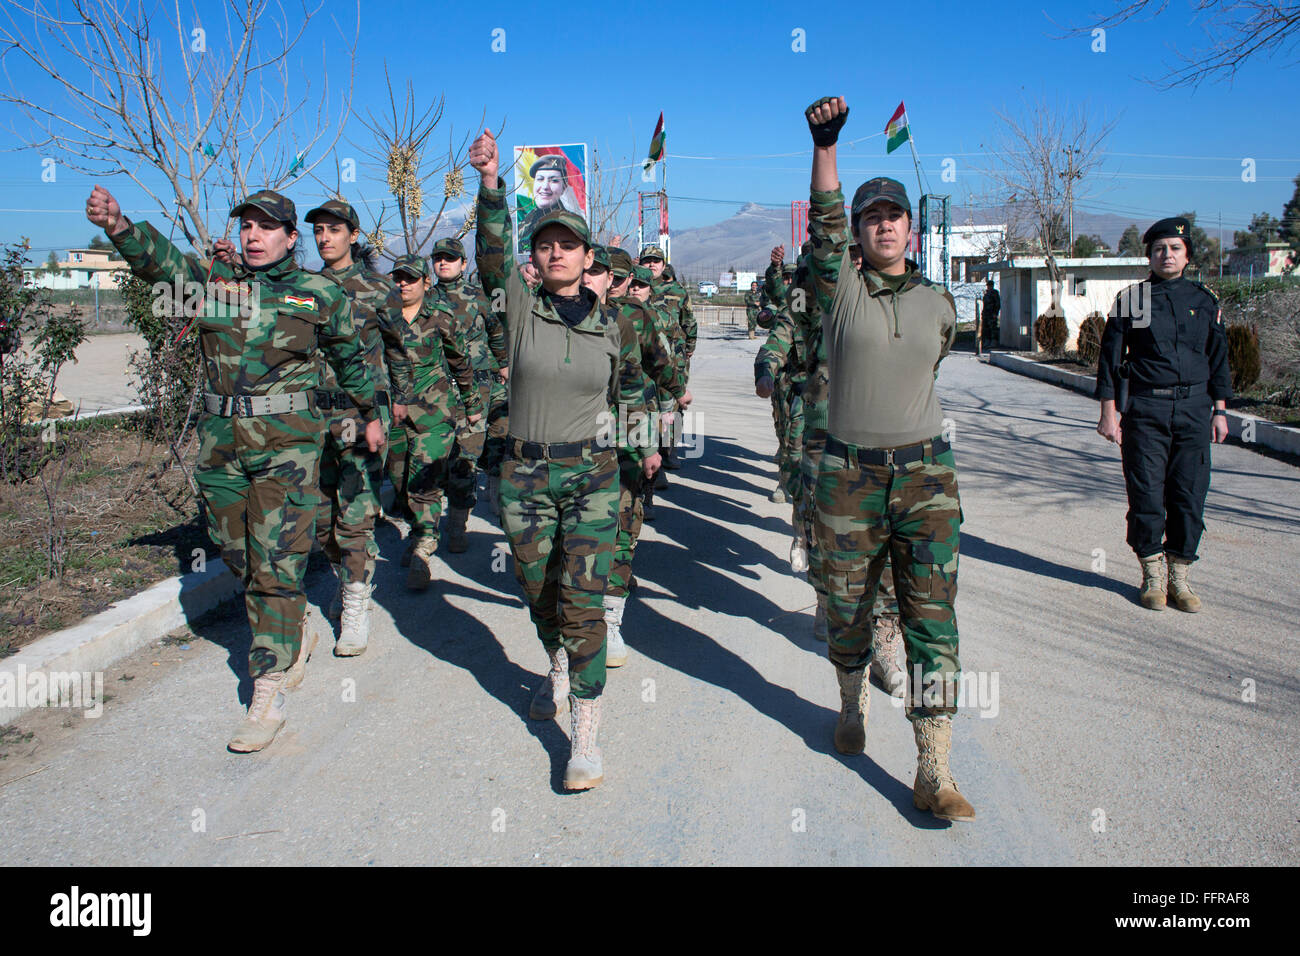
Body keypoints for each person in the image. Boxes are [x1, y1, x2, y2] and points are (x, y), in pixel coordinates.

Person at [86, 184, 383, 753]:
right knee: (239, 554)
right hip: (221, 444)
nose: (253, 235)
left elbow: (350, 357)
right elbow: (161, 266)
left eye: (267, 227)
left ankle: (267, 690)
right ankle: (291, 628)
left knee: (275, 563)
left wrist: (370, 414)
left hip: (288, 447)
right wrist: (121, 228)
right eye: (246, 225)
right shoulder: (214, 286)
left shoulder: (316, 292)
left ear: (291, 239)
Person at [804, 96, 974, 822]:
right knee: (847, 609)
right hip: (849, 476)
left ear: (910, 227)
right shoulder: (839, 289)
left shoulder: (940, 304)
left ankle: (934, 764)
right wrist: (827, 150)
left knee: (932, 619)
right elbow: (825, 224)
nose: (881, 224)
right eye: (871, 217)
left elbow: (930, 364)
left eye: (892, 215)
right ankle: (850, 701)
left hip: (928, 476)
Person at [470, 128, 654, 790]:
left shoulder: (615, 324)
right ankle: (554, 660)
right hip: (522, 475)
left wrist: (644, 445)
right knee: (537, 587)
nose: (554, 251)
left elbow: (630, 389)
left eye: (566, 243)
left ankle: (585, 729)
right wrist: (491, 183)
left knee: (582, 597)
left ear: (585, 256)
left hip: (594, 476)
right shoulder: (519, 309)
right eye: (544, 243)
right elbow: (492, 261)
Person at [772, 242, 906, 690]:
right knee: (822, 530)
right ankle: (826, 600)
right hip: (821, 434)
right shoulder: (808, 301)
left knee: (883, 537)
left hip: (879, 438)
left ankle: (884, 640)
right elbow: (781, 331)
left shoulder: (882, 298)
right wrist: (766, 368)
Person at [1095, 216, 1230, 612]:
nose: (1166, 255)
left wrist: (1220, 411)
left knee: (1189, 496)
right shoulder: (1133, 299)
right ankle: (1152, 573)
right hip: (1145, 409)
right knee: (1147, 494)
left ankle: (1181, 576)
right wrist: (1109, 412)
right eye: (1158, 249)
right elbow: (1109, 360)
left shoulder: (1204, 301)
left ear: (1187, 255)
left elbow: (1218, 359)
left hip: (1194, 408)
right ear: (1149, 256)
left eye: (1174, 248)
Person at [595, 246, 691, 666]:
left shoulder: (635, 317)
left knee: (623, 522)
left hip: (627, 433)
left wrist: (673, 397)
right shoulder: (562, 314)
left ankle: (611, 616)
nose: (613, 286)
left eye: (618, 278)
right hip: (578, 441)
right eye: (602, 275)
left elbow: (657, 366)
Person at [386, 254, 481, 590]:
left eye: (411, 279)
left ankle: (424, 548)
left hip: (435, 411)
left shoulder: (440, 316)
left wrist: (471, 403)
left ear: (425, 283)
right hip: (394, 413)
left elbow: (460, 361)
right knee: (399, 478)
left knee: (423, 479)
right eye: (398, 278)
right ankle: (419, 531)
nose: (403, 284)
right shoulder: (384, 316)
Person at [431, 236, 508, 550]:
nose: (444, 263)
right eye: (438, 258)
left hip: (475, 390)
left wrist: (503, 366)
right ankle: (422, 530)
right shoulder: (423, 299)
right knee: (432, 459)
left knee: (465, 457)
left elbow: (496, 333)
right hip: (435, 390)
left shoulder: (479, 298)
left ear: (464, 264)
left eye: (451, 258)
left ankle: (457, 526)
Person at [639, 246, 695, 470]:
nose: (651, 265)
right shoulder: (634, 288)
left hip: (674, 358)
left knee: (672, 407)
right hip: (643, 360)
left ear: (663, 265)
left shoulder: (677, 291)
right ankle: (650, 453)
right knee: (647, 406)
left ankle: (669, 449)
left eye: (656, 261)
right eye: (647, 261)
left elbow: (689, 321)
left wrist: (689, 346)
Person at [518, 155, 579, 252]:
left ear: (564, 187)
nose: (545, 186)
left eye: (554, 180)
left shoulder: (573, 225)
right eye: (540, 179)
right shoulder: (523, 225)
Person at [981, 278, 1000, 351]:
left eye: (990, 285)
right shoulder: (986, 293)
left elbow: (997, 304)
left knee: (993, 328)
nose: (988, 287)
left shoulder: (995, 293)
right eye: (988, 285)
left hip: (992, 313)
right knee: (986, 328)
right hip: (986, 313)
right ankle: (987, 341)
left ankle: (994, 342)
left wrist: (995, 313)